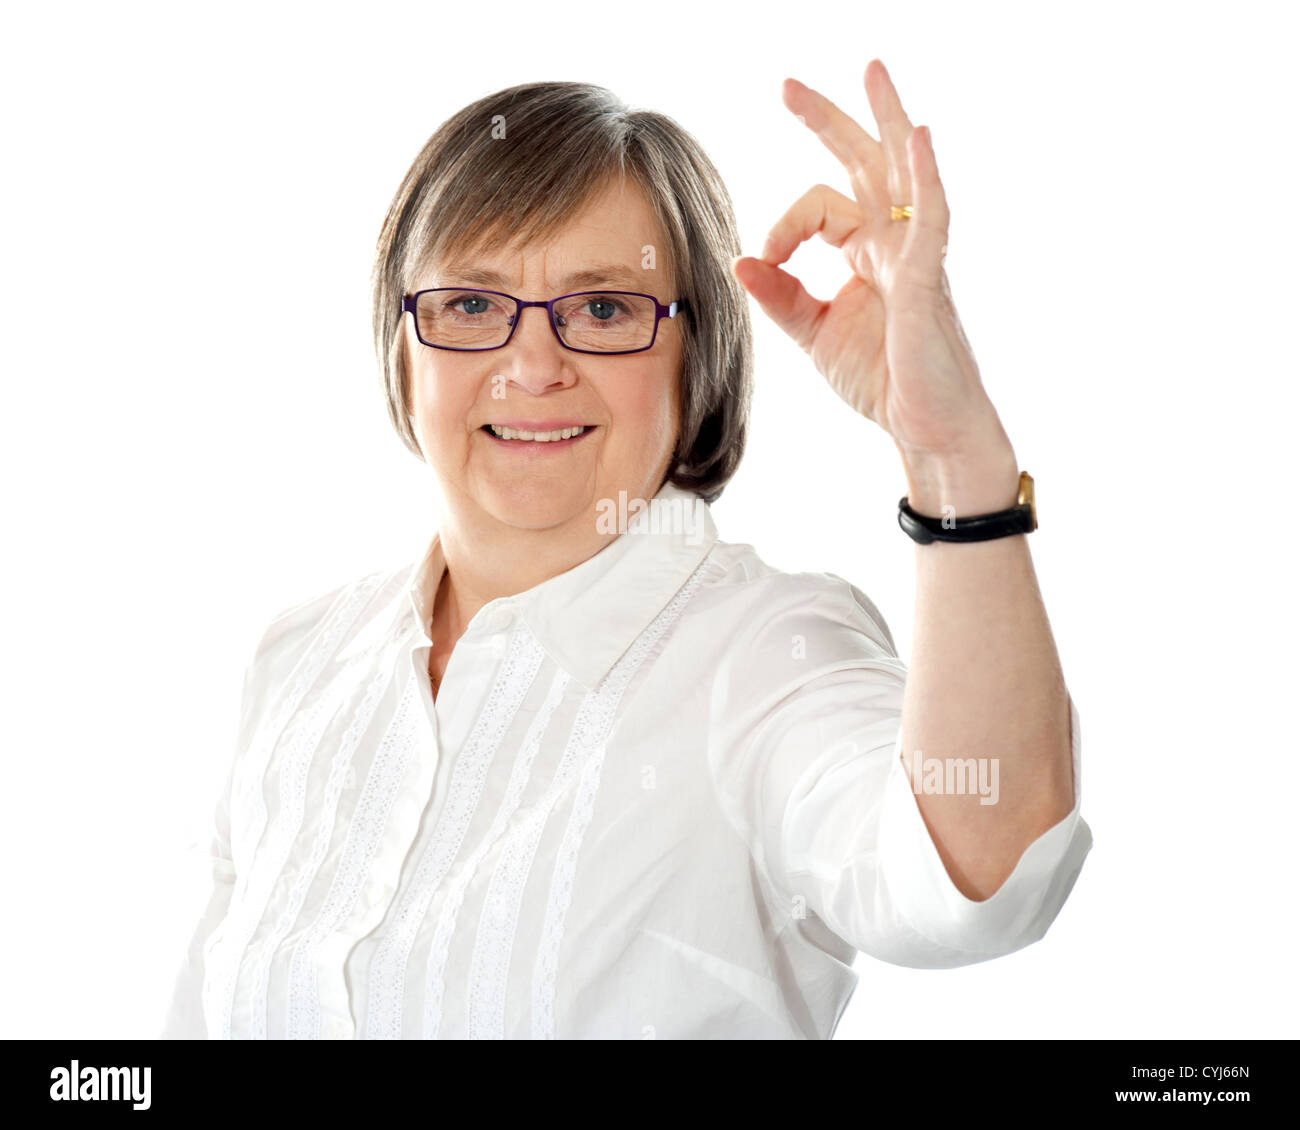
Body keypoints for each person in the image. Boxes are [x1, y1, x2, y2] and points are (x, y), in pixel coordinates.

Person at [162, 58, 1092, 1040]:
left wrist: (950, 458)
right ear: (405, 343)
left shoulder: (762, 650)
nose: (530, 366)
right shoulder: (297, 660)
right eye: (471, 304)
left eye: (603, 309)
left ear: (699, 355)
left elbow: (984, 867)